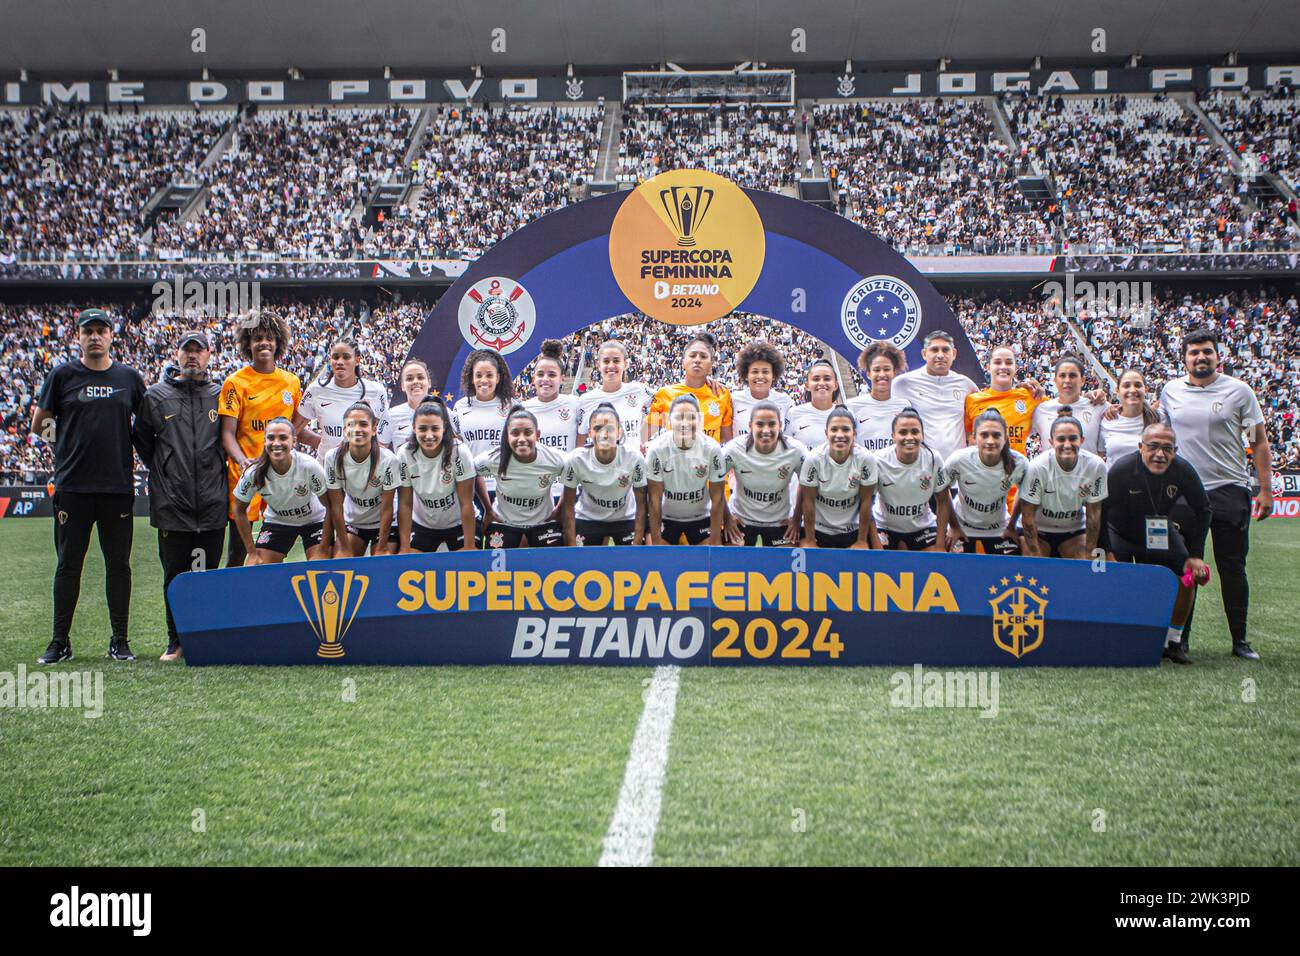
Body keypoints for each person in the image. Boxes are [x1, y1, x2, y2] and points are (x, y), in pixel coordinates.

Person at [33, 308, 147, 664]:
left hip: (116, 487)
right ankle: (59, 641)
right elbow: (41, 423)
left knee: (119, 565)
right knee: (69, 564)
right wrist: (65, 441)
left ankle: (120, 640)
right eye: (88, 331)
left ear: (112, 336)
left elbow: (143, 427)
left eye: (101, 330)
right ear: (78, 337)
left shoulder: (128, 377)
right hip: (73, 487)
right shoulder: (62, 374)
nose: (95, 336)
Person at [1160, 327, 1273, 661]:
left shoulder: (1239, 392)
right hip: (1184, 492)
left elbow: (1259, 441)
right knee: (1183, 567)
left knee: (1232, 567)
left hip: (1230, 488)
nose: (1200, 357)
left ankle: (1240, 640)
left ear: (1217, 356)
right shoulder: (1170, 391)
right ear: (1184, 358)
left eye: (1207, 351)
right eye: (1194, 352)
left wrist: (1265, 490)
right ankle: (1179, 639)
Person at [131, 329, 227, 661]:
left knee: (207, 577)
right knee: (175, 577)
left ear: (208, 355)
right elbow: (143, 440)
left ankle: (205, 638)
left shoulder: (221, 394)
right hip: (173, 505)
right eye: (187, 350)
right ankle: (176, 641)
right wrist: (167, 469)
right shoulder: (156, 396)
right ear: (177, 354)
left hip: (213, 503)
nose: (192, 356)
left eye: (198, 351)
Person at [1104, 422, 1211, 665]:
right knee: (1111, 579)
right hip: (1120, 533)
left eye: (1167, 448)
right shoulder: (1122, 469)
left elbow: (1204, 509)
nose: (1160, 454)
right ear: (1140, 447)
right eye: (1153, 447)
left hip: (1158, 530)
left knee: (1187, 575)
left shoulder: (1183, 470)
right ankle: (1116, 638)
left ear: (1175, 450)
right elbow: (1102, 510)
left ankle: (1173, 641)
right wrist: (1106, 551)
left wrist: (1196, 555)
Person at [219, 311, 320, 568]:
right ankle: (236, 600)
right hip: (250, 472)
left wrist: (325, 442)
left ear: (278, 343)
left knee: (271, 545)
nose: (264, 343)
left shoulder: (291, 382)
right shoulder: (235, 383)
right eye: (257, 338)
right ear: (247, 344)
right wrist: (243, 462)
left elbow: (297, 432)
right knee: (239, 550)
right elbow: (227, 434)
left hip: (283, 475)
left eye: (269, 338)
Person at [231, 418, 333, 564]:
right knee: (256, 566)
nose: (276, 443)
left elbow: (330, 506)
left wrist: (324, 547)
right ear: (265, 441)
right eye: (271, 438)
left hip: (315, 520)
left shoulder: (309, 466)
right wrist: (251, 552)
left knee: (319, 565)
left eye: (283, 438)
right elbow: (238, 509)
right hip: (278, 521)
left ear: (294, 442)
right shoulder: (253, 473)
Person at [1019, 410, 1108, 558]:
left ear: (1082, 440)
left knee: (1083, 563)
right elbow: (1028, 515)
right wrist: (1035, 555)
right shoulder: (1038, 466)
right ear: (1051, 442)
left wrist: (1090, 552)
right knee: (1033, 567)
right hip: (1039, 531)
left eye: (1073, 438)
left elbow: (1094, 513)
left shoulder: (1096, 466)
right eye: (1061, 439)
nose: (1067, 445)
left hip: (1074, 531)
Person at [476, 405, 568, 548]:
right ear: (507, 437)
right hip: (504, 522)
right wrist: (487, 508)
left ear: (537, 435)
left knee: (552, 564)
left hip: (543, 522)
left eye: (527, 433)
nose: (522, 439)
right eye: (515, 433)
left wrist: (560, 507)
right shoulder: (494, 458)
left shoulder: (554, 459)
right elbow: (471, 473)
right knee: (496, 567)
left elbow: (574, 474)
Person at [560, 402, 648, 546]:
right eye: (597, 428)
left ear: (619, 432)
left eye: (610, 429)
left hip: (625, 518)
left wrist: (637, 543)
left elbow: (642, 504)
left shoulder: (634, 458)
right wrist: (572, 548)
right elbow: (568, 507)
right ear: (589, 433)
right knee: (583, 566)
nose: (604, 434)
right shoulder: (576, 459)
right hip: (588, 518)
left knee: (633, 562)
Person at [396, 398, 477, 553]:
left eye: (435, 428)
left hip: (458, 523)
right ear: (414, 428)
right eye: (423, 429)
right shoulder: (405, 454)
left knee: (465, 566)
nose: (429, 435)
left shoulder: (459, 451)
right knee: (410, 565)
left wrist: (469, 546)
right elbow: (405, 504)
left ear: (444, 427)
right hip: (423, 525)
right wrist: (405, 547)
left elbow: (466, 503)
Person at [645, 394, 727, 545]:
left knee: (709, 557)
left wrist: (715, 539)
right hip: (666, 518)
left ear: (699, 420)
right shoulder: (656, 449)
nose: (684, 423)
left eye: (691, 418)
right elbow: (654, 499)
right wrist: (656, 540)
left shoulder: (712, 449)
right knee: (659, 559)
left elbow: (718, 498)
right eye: (678, 417)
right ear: (669, 420)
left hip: (701, 517)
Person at [724, 400, 808, 546]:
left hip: (779, 522)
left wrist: (796, 519)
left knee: (787, 563)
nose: (766, 430)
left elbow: (807, 485)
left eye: (772, 424)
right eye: (760, 424)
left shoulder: (796, 450)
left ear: (780, 426)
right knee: (733, 563)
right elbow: (715, 482)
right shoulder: (734, 449)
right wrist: (726, 517)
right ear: (750, 426)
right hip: (741, 519)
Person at [944, 408, 1028, 555]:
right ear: (974, 437)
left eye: (996, 435)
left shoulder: (1019, 463)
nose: (990, 441)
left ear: (1005, 437)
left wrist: (1012, 525)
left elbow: (1025, 493)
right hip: (962, 527)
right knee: (956, 570)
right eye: (984, 435)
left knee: (1009, 572)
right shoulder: (958, 460)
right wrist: (954, 526)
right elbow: (942, 491)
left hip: (1000, 528)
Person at [325, 403, 401, 557]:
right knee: (342, 561)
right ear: (345, 430)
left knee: (381, 561)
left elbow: (387, 509)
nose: (357, 429)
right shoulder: (332, 458)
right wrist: (344, 546)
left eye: (363, 424)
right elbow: (336, 507)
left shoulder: (388, 460)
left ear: (374, 430)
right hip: (354, 523)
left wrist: (381, 547)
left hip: (385, 524)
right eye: (351, 425)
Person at [797, 406, 879, 549]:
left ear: (854, 433)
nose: (839, 435)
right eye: (834, 429)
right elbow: (808, 501)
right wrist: (810, 540)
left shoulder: (865, 459)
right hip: (818, 530)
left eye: (845, 429)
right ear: (826, 433)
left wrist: (861, 541)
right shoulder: (814, 459)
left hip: (851, 530)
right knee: (806, 550)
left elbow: (866, 501)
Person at [890, 330, 978, 463]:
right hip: (921, 467)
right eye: (934, 350)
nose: (940, 355)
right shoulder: (903, 383)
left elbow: (982, 412)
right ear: (924, 354)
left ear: (953, 354)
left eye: (945, 350)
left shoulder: (966, 384)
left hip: (957, 467)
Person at [873, 407, 952, 551]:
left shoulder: (933, 458)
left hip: (922, 528)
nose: (909, 437)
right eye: (903, 432)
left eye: (915, 432)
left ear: (922, 435)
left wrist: (940, 545)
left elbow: (943, 500)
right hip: (884, 527)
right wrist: (876, 545)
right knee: (880, 562)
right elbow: (865, 501)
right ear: (893, 436)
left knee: (937, 560)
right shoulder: (879, 460)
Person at [299, 337, 389, 458]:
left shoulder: (376, 391)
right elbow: (295, 430)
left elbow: (384, 436)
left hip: (361, 472)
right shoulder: (315, 390)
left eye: (346, 357)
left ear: (357, 360)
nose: (340, 362)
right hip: (325, 471)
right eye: (335, 357)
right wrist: (326, 444)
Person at [452, 348, 513, 512]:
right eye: (478, 375)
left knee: (500, 536)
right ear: (471, 378)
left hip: (504, 483)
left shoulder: (512, 406)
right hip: (470, 483)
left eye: (489, 375)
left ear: (498, 378)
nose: (483, 380)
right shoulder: (460, 406)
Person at [645, 331, 734, 445]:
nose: (697, 360)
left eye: (703, 356)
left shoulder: (721, 394)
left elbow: (728, 440)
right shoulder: (664, 394)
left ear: (711, 366)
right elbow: (645, 435)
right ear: (683, 363)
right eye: (692, 355)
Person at [523, 338, 581, 502]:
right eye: (540, 374)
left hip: (567, 490)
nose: (545, 379)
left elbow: (580, 448)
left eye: (552, 374)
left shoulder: (575, 404)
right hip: (533, 492)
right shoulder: (523, 409)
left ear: (562, 378)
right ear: (533, 378)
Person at [575, 338, 652, 453]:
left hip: (632, 467)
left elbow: (663, 406)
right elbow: (580, 442)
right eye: (606, 361)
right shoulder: (586, 400)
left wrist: (644, 438)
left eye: (616, 361)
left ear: (625, 364)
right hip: (601, 468)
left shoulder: (638, 390)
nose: (611, 365)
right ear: (598, 365)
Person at [963, 345, 1043, 454]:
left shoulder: (1030, 396)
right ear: (988, 367)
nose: (1003, 366)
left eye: (1009, 362)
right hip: (983, 469)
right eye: (997, 362)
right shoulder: (972, 400)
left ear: (1015, 368)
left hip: (1017, 469)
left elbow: (1061, 406)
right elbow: (968, 440)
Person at [1029, 355, 1105, 455]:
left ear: (1082, 380)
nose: (1067, 380)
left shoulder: (1099, 406)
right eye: (1062, 376)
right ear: (1055, 380)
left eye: (1072, 375)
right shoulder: (1041, 410)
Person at [846, 341, 909, 452]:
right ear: (869, 374)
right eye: (876, 370)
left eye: (886, 369)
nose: (882, 374)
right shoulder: (852, 406)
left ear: (894, 372)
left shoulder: (904, 406)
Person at [730, 339, 795, 440]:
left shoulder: (785, 402)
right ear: (746, 375)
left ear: (773, 375)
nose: (760, 376)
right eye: (754, 372)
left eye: (765, 372)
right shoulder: (733, 400)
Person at [1099, 368, 1160, 466]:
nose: (1132, 390)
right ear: (1117, 390)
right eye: (1126, 385)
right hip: (1113, 481)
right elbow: (1100, 457)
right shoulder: (1107, 420)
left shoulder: (1159, 419)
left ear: (1146, 389)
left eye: (1138, 385)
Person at [379, 358, 435, 451]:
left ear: (429, 383)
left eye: (420, 377)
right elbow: (380, 451)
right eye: (409, 378)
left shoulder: (445, 413)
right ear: (402, 386)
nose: (415, 381)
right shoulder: (390, 416)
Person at [785, 358, 842, 448]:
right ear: (807, 385)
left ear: (835, 385)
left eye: (827, 378)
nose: (822, 383)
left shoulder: (847, 414)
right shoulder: (793, 413)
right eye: (816, 379)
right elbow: (786, 450)